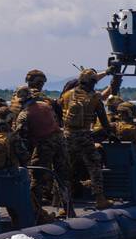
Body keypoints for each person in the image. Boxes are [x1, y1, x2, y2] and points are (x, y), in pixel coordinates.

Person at [12, 79, 67, 220]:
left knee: (36, 177)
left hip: (44, 144)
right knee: (62, 175)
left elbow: (20, 137)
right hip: (60, 141)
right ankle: (68, 208)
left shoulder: (24, 115)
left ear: (20, 100)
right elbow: (56, 120)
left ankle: (34, 211)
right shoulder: (45, 105)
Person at [60, 68, 114, 209]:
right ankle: (100, 199)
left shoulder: (67, 95)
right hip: (84, 136)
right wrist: (110, 133)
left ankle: (64, 204)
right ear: (93, 82)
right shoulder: (94, 97)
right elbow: (104, 121)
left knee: (66, 169)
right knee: (94, 165)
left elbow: (60, 114)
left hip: (67, 136)